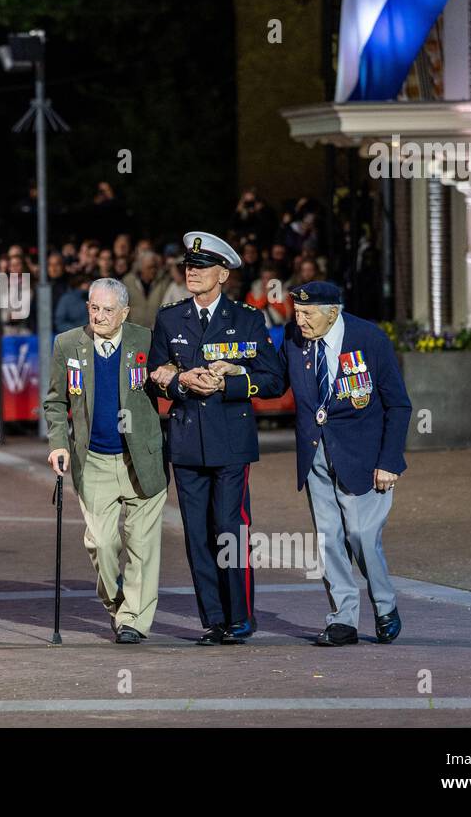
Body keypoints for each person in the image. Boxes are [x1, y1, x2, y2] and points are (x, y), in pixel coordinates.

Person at [235, 282, 410, 646]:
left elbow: (398, 405)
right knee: (329, 539)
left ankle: (385, 605)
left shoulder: (369, 339)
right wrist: (237, 376)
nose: (300, 321)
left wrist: (390, 461)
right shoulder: (296, 340)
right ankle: (343, 619)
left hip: (364, 457)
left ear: (333, 312)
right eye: (297, 313)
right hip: (315, 455)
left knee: (361, 536)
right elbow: (274, 384)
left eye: (308, 314)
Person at [149, 231, 284, 645]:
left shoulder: (246, 318)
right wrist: (179, 382)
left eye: (202, 267)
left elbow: (274, 380)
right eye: (189, 266)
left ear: (223, 273)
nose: (192, 272)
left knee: (229, 527)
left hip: (229, 439)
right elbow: (154, 376)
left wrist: (232, 380)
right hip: (188, 440)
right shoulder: (170, 317)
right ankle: (214, 619)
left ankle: (240, 616)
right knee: (197, 534)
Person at [42, 278, 167, 644]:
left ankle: (134, 621)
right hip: (93, 459)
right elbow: (55, 401)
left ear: (124, 313)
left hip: (140, 459)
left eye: (108, 310)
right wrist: (58, 443)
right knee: (101, 544)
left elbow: (168, 380)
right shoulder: (67, 344)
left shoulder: (145, 340)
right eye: (94, 308)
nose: (99, 315)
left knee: (142, 546)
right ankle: (118, 605)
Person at [121, 250, 170, 329]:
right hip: (134, 331)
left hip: (156, 331)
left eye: (155, 267)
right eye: (149, 267)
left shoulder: (163, 282)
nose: (153, 270)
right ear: (141, 268)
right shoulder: (128, 281)